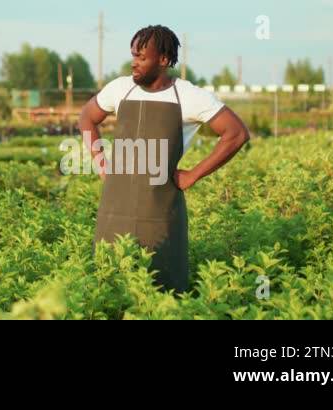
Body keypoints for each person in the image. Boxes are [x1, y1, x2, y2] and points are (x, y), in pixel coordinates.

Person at [78, 25, 250, 293]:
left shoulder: (189, 96)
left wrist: (193, 174)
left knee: (162, 290)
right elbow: (86, 117)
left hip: (160, 213)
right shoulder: (121, 89)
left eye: (142, 57)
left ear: (164, 60)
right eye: (133, 55)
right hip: (114, 210)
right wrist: (99, 160)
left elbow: (236, 133)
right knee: (108, 287)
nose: (134, 62)